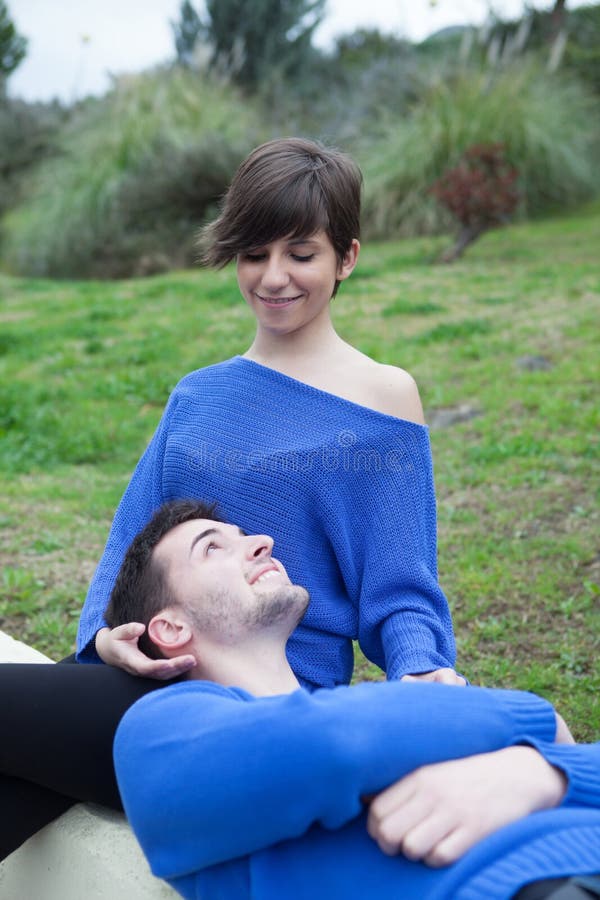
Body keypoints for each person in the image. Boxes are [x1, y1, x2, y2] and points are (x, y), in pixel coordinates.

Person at [0, 136, 463, 862]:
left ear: (347, 257)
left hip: (262, 698)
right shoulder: (198, 395)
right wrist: (104, 638)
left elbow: (401, 588)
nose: (273, 277)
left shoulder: (383, 399)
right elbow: (131, 548)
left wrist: (421, 672)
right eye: (253, 253)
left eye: (300, 254)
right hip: (153, 673)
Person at [112, 500, 600, 900]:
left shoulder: (401, 721)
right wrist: (539, 721)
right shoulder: (157, 733)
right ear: (171, 628)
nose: (262, 542)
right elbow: (334, 744)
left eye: (245, 535)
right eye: (213, 548)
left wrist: (545, 774)